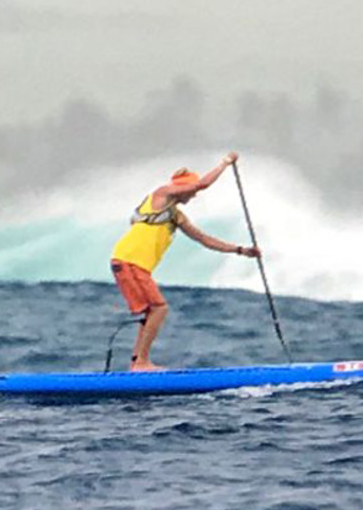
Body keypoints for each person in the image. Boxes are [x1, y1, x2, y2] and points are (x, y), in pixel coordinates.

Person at [110, 151, 261, 371]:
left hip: (135, 265)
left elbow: (203, 239)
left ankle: (138, 362)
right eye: (190, 190)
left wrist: (240, 250)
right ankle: (141, 363)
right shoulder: (161, 194)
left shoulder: (176, 216)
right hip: (129, 261)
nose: (193, 196)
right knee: (159, 309)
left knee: (154, 310)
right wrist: (225, 164)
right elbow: (202, 185)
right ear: (182, 187)